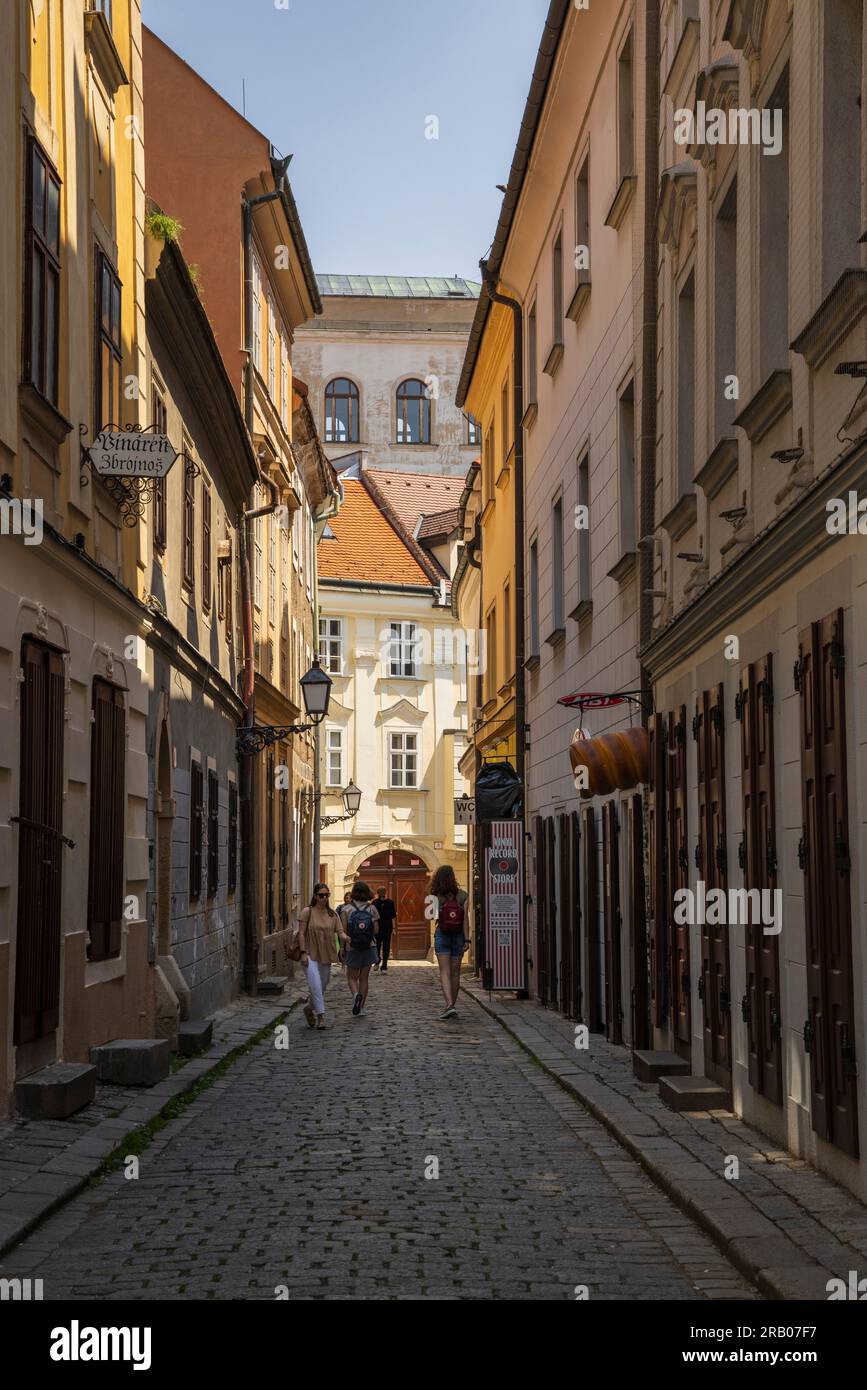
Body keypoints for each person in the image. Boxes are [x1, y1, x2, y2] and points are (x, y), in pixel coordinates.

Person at [298, 884, 348, 1031]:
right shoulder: (307, 911)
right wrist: (302, 953)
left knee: (324, 984)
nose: (324, 898)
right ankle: (321, 1017)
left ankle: (309, 1008)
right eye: (321, 895)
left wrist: (347, 938)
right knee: (315, 984)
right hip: (309, 953)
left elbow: (340, 932)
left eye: (327, 895)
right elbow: (301, 933)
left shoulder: (333, 914)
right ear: (315, 896)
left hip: (325, 953)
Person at [430, 865, 468, 1020]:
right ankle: (453, 1005)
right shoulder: (463, 895)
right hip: (459, 935)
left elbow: (430, 916)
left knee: (444, 972)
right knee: (456, 972)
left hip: (442, 934)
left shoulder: (434, 896)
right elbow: (466, 919)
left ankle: (449, 1005)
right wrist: (468, 939)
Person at [340, 880, 379, 1016]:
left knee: (351, 977)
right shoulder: (372, 909)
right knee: (364, 978)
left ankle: (356, 995)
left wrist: (342, 949)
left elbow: (343, 932)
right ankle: (361, 1008)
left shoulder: (346, 909)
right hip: (369, 946)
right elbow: (375, 930)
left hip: (352, 946)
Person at [374, 886, 397, 973]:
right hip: (377, 929)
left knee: (386, 947)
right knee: (377, 946)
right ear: (378, 893)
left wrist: (394, 928)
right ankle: (377, 960)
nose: (382, 893)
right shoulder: (374, 903)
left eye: (383, 891)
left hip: (387, 928)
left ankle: (384, 966)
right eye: (381, 891)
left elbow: (393, 917)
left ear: (385, 892)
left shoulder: (390, 903)